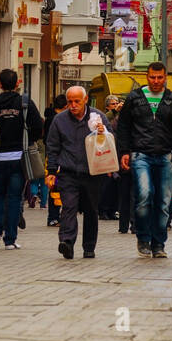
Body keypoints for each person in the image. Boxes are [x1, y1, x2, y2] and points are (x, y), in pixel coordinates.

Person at [116, 62, 172, 260]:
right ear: (146, 77)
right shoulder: (135, 98)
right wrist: (124, 152)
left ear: (165, 77)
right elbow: (123, 127)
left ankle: (158, 244)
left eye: (160, 78)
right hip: (140, 155)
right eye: (152, 77)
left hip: (165, 156)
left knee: (164, 202)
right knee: (145, 195)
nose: (156, 81)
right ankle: (143, 238)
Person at [0, 69, 43, 250]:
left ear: (0, 84)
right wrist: (28, 140)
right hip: (19, 156)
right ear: (17, 83)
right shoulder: (24, 103)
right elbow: (38, 126)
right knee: (14, 197)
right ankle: (10, 239)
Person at [46, 86, 105, 260]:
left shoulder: (97, 117)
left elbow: (111, 140)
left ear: (85, 100)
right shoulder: (59, 120)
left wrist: (104, 132)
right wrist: (51, 172)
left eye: (77, 101)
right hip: (68, 172)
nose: (73, 105)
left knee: (91, 210)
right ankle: (67, 242)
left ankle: (89, 247)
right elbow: (52, 147)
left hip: (92, 172)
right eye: (70, 101)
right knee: (68, 208)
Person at [44, 93, 67, 225]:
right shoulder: (58, 119)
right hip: (57, 157)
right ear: (65, 106)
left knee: (54, 187)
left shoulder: (50, 118)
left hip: (51, 156)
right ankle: (53, 217)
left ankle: (54, 216)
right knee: (55, 187)